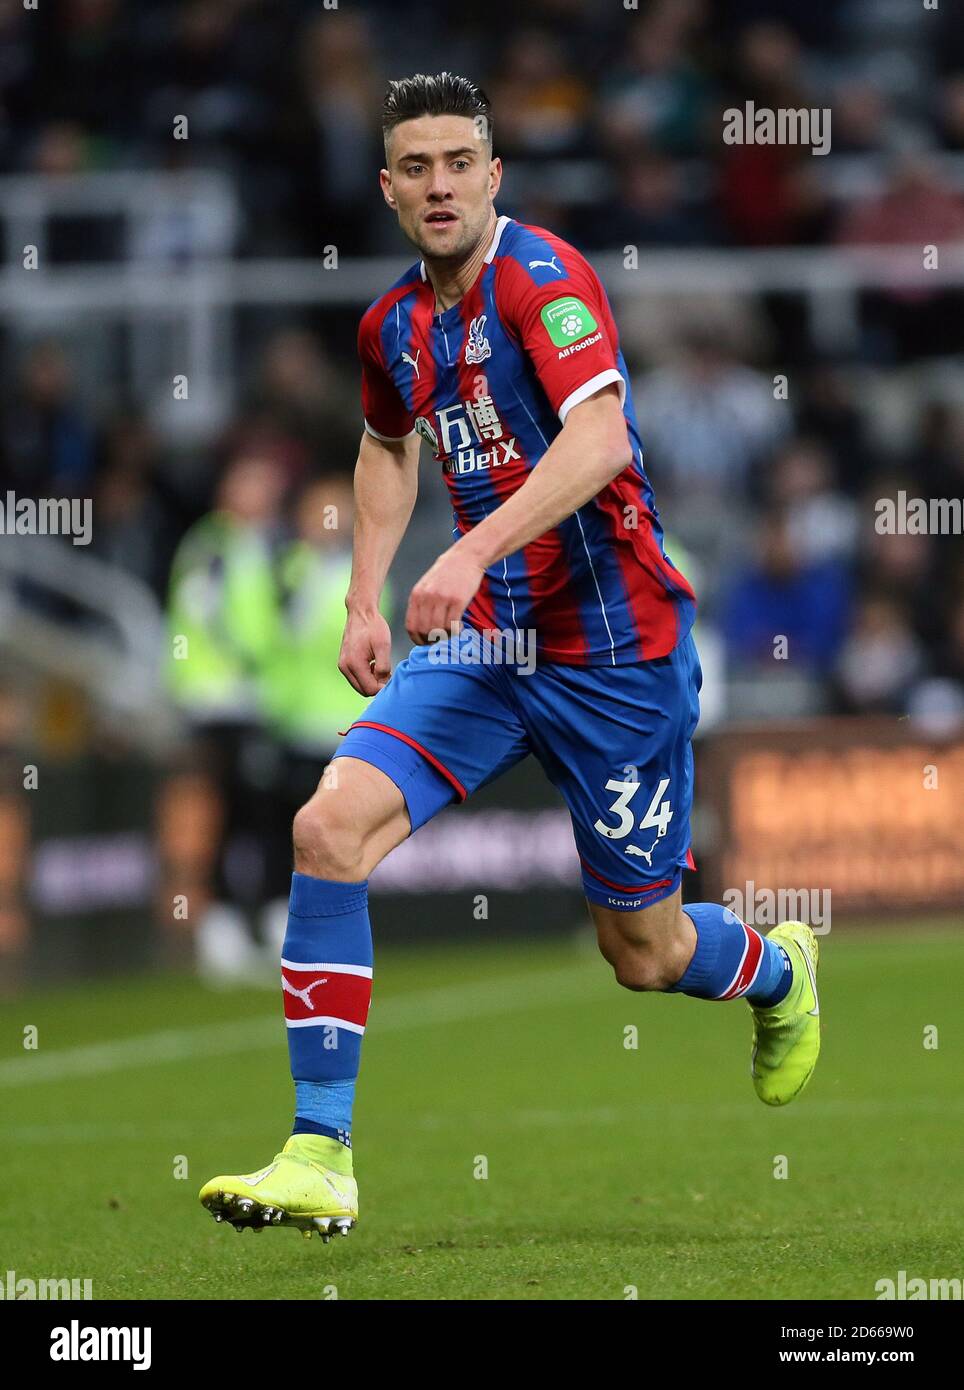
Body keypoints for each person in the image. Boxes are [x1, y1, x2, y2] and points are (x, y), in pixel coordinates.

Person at [200, 73, 821, 1242]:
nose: (439, 186)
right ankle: (319, 1150)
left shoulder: (545, 279)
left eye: (459, 163)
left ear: (495, 174)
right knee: (327, 828)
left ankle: (779, 972)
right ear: (387, 189)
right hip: (486, 644)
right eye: (416, 167)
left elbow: (599, 435)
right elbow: (385, 450)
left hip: (614, 653)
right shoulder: (392, 325)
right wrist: (361, 594)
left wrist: (469, 546)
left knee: (644, 952)